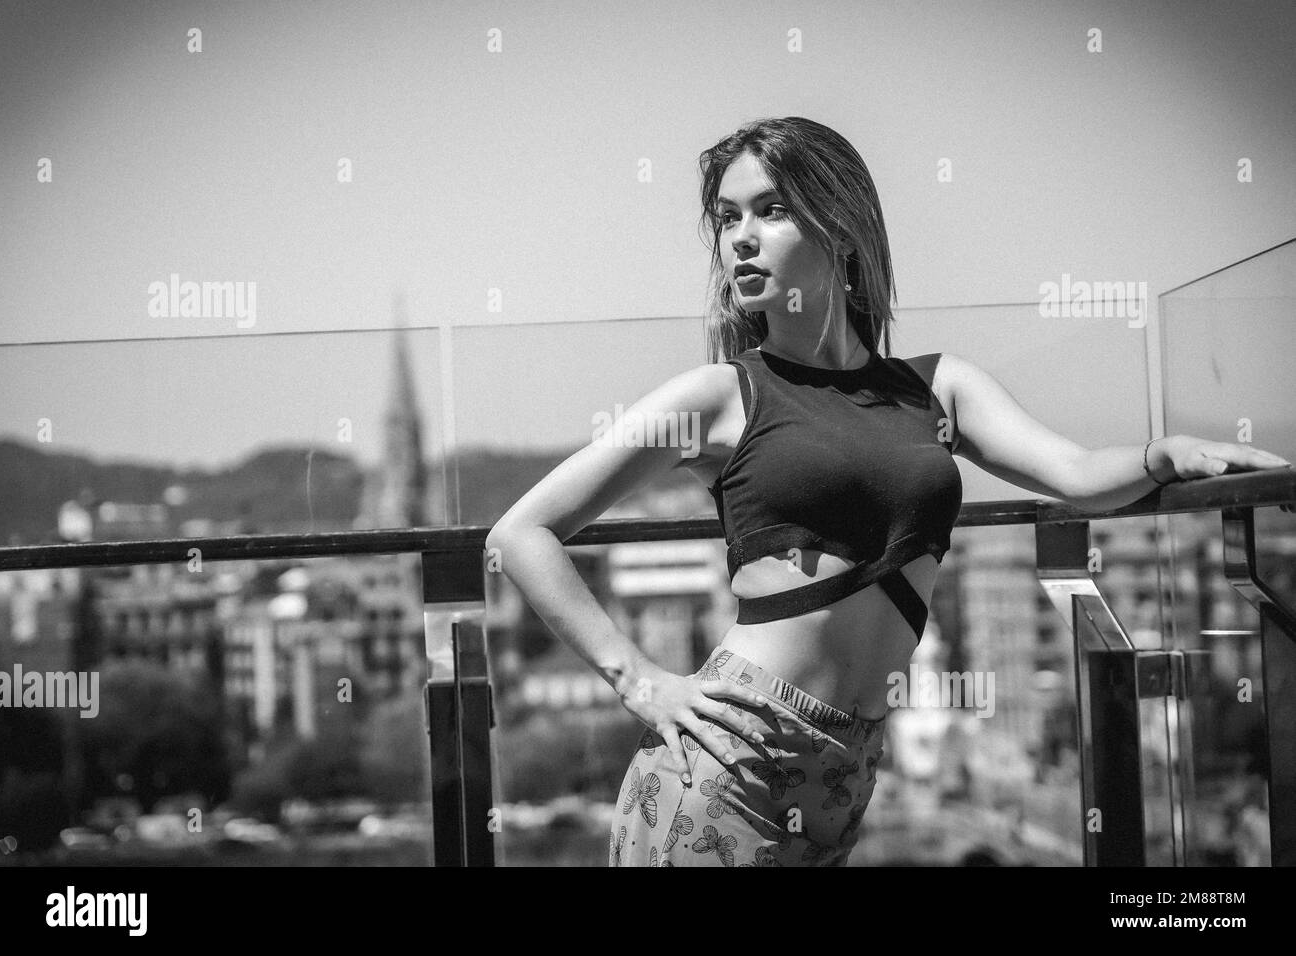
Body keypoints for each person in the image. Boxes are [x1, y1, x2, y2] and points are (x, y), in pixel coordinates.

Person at [484, 116, 1292, 867]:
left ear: (840, 226)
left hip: (846, 779)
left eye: (769, 210)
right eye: (727, 219)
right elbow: (522, 532)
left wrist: (1166, 453)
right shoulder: (720, 396)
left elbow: (1076, 476)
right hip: (722, 769)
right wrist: (639, 680)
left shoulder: (939, 388)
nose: (741, 239)